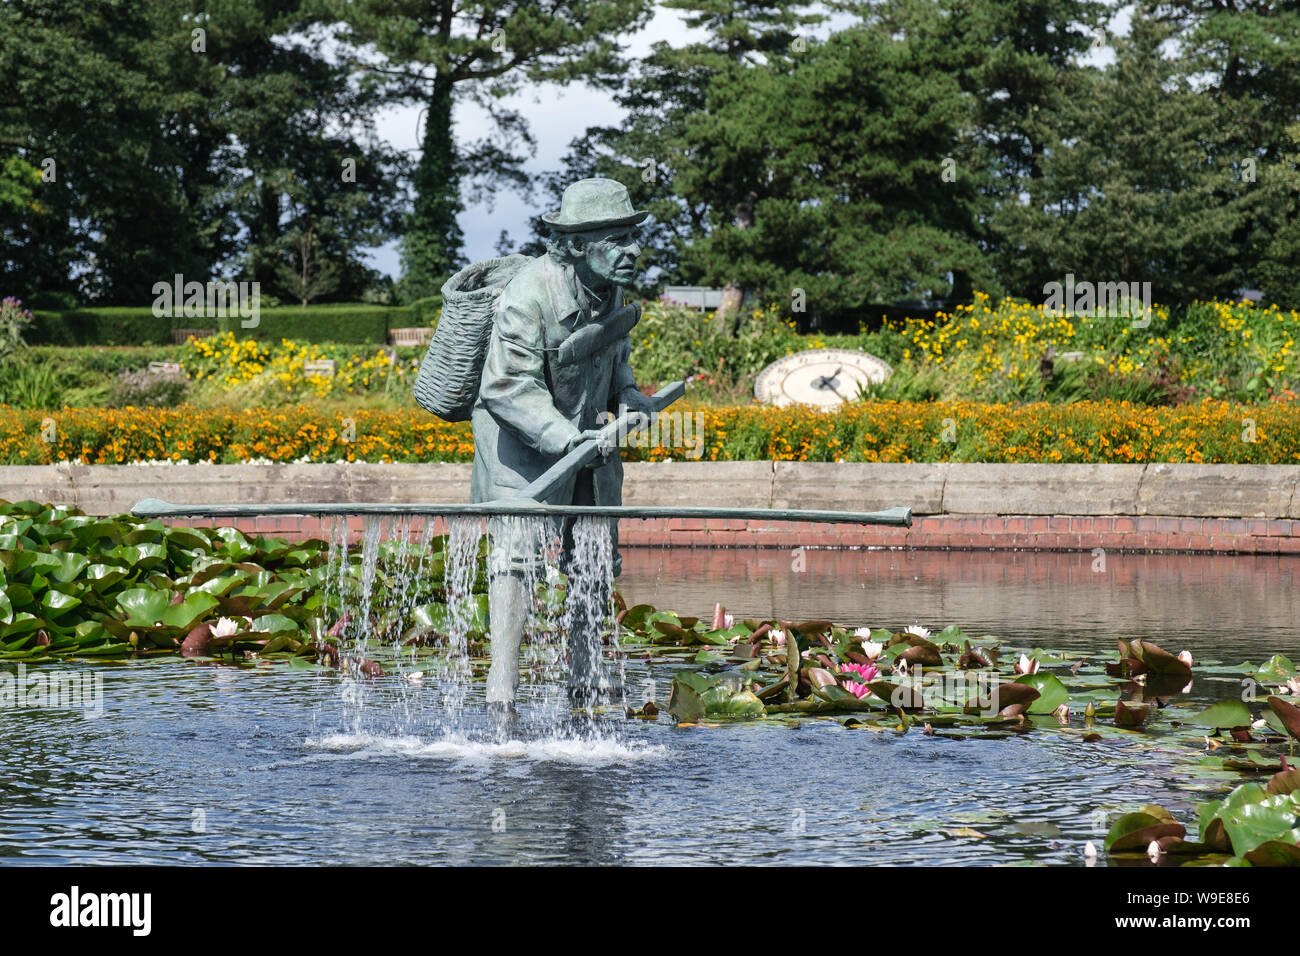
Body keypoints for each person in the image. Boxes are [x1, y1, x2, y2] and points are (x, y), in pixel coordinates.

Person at [470, 178, 654, 706]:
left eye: (632, 236)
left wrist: (629, 393)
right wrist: (567, 437)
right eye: (616, 239)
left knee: (595, 546)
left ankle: (585, 666)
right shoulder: (529, 293)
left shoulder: (608, 284)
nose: (631, 251)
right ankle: (501, 683)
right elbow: (505, 385)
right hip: (520, 439)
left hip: (590, 433)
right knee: (517, 552)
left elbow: (611, 350)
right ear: (575, 245)